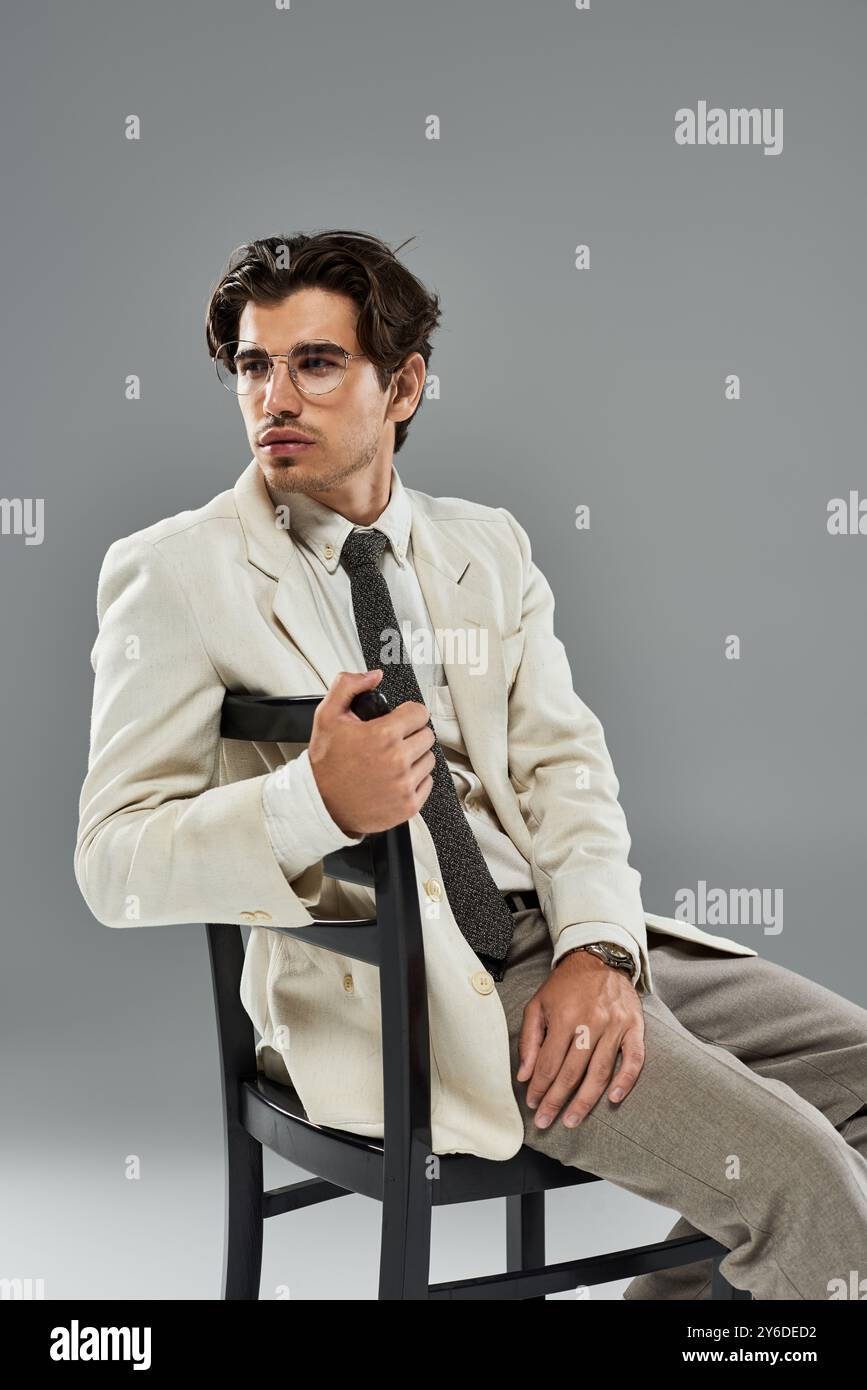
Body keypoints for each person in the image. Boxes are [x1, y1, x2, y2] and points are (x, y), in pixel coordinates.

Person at [74, 230, 867, 1299]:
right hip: (409, 994)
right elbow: (111, 861)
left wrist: (600, 951)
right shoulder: (176, 571)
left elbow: (566, 774)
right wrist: (311, 801)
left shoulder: (486, 547)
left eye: (315, 363)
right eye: (254, 367)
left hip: (569, 935)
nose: (274, 398)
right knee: (802, 1174)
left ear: (403, 385)